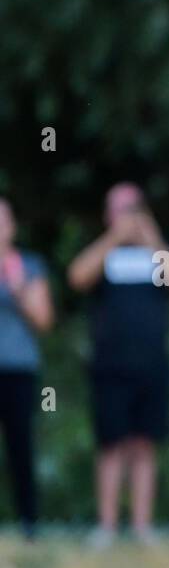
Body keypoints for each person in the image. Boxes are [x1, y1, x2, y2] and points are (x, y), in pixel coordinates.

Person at [68, 182, 169, 548]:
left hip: (152, 365)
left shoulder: (157, 252)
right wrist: (112, 239)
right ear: (107, 215)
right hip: (110, 367)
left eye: (132, 208)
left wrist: (152, 237)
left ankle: (141, 526)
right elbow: (77, 277)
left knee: (144, 444)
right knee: (111, 444)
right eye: (118, 209)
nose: (126, 217)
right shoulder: (104, 254)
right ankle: (106, 525)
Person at [0, 197, 54, 540]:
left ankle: (29, 524)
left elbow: (44, 319)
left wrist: (18, 286)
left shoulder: (29, 266)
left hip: (18, 369)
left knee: (21, 447)